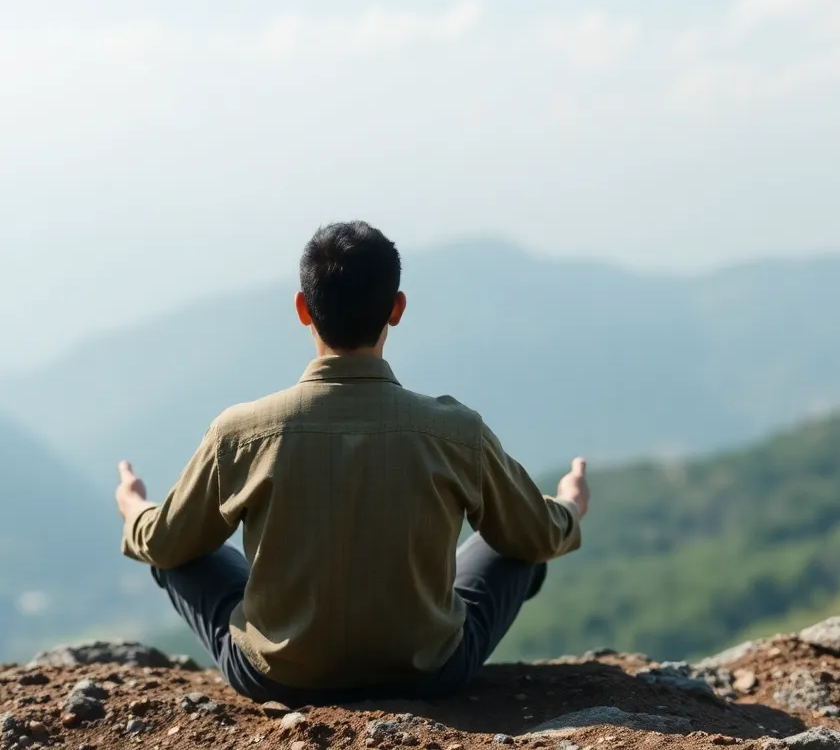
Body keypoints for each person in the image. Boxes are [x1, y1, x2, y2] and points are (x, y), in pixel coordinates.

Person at [115, 220, 589, 706]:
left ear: (303, 308)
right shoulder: (457, 432)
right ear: (397, 308)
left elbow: (164, 544)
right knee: (516, 545)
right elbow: (537, 535)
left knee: (178, 549)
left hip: (280, 676)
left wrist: (135, 509)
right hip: (427, 673)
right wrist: (568, 507)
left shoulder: (240, 433)